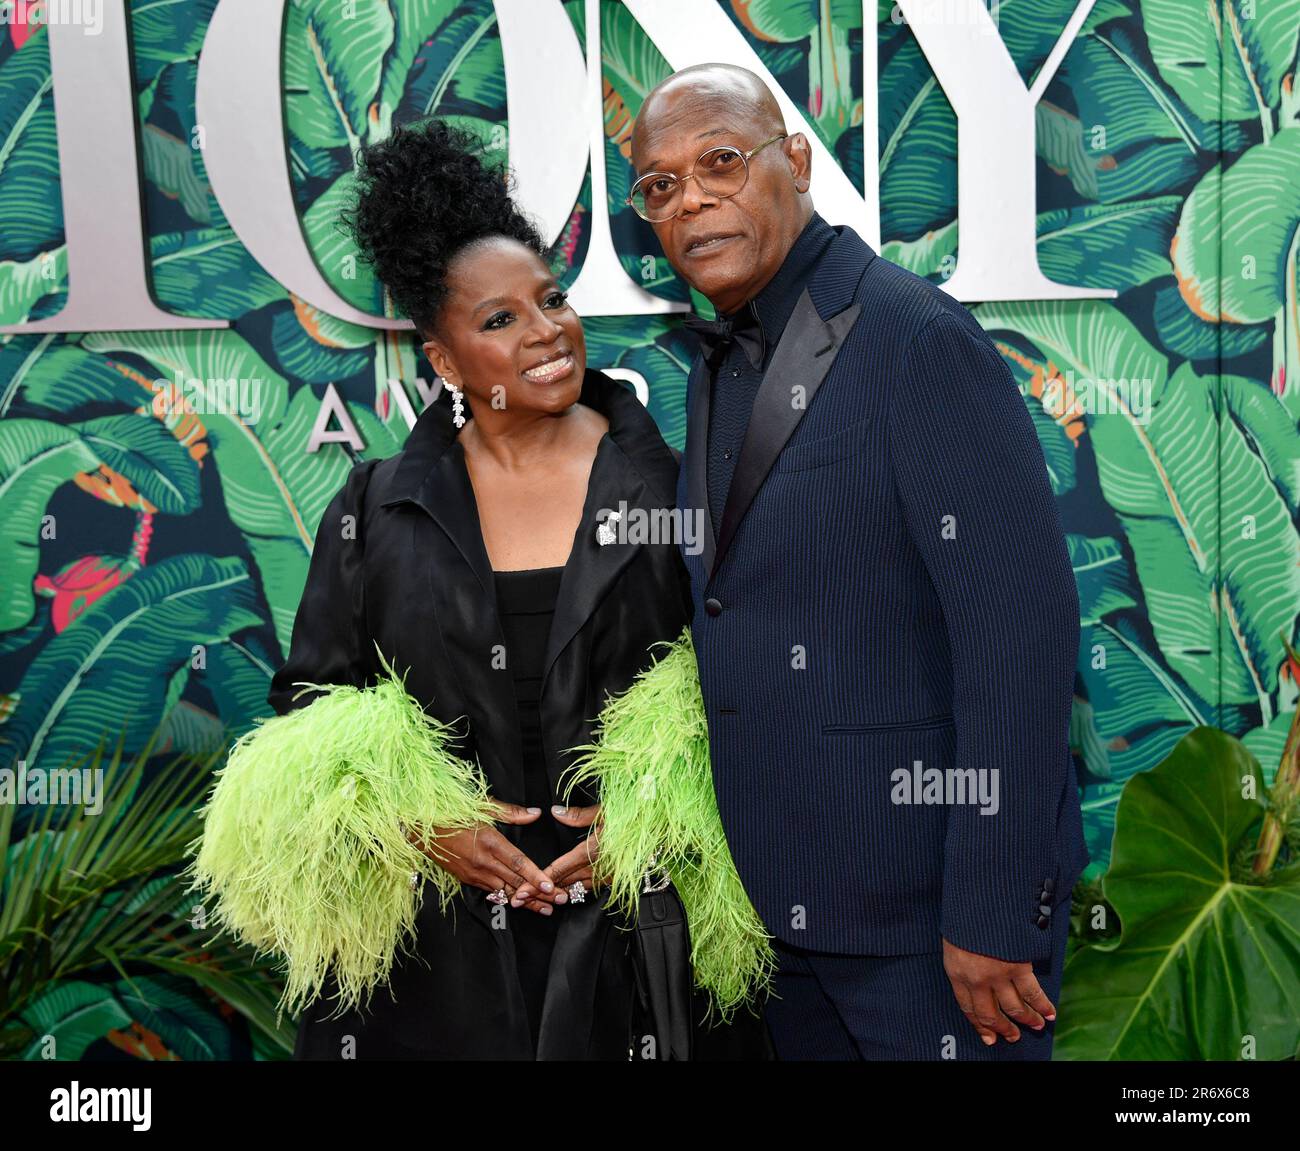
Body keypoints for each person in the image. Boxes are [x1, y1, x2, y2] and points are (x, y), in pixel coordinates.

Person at [192, 119, 769, 1059]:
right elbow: (310, 703)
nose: (545, 332)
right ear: (446, 360)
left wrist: (657, 816)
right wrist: (421, 826)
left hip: (636, 950)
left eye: (550, 299)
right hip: (437, 962)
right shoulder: (379, 506)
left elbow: (751, 689)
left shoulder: (683, 484)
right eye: (500, 320)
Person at [628, 63, 1090, 1060]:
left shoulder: (911, 336)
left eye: (719, 160)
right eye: (658, 185)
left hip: (929, 929)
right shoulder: (728, 352)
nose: (691, 197)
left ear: (794, 161)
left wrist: (993, 910)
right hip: (788, 922)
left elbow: (1018, 631)